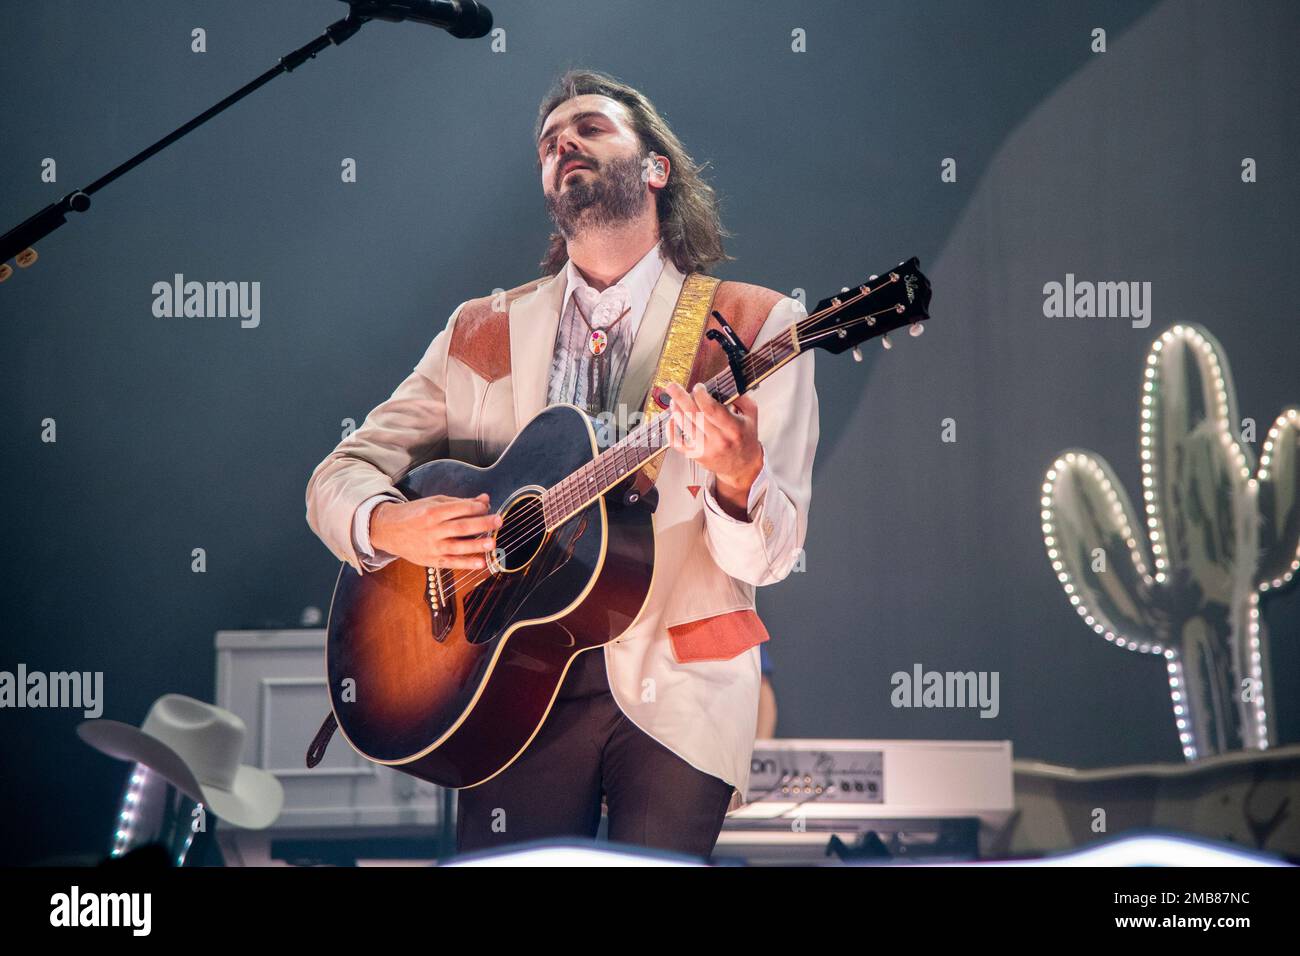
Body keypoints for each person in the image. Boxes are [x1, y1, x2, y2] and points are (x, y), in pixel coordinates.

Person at [305, 68, 818, 859]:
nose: (563, 145)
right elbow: (341, 471)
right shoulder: (480, 327)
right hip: (503, 677)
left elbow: (774, 556)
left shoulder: (753, 323)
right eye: (548, 145)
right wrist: (389, 523)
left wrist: (739, 477)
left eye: (590, 129)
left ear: (656, 169)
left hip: (680, 683)